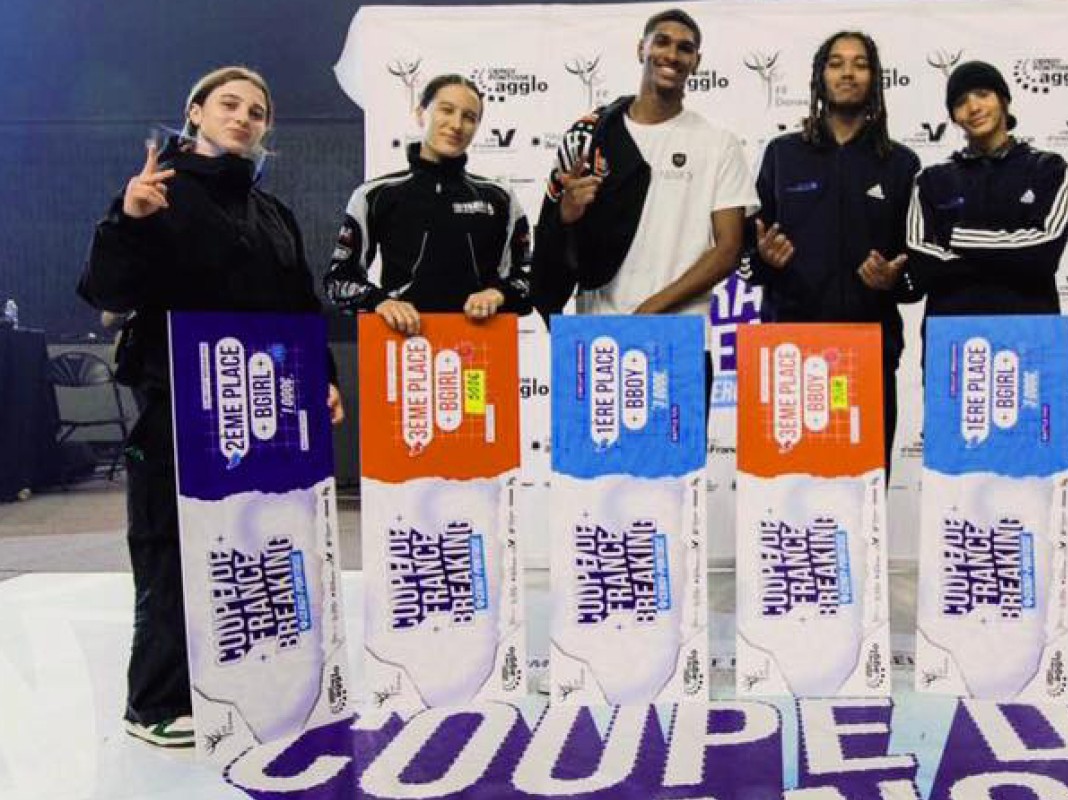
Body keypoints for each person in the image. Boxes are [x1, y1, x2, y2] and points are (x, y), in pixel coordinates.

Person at [77, 67, 344, 747]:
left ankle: (252, 678)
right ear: (195, 112)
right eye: (229, 103)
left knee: (256, 543)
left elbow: (301, 305)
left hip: (261, 407)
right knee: (169, 549)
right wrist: (127, 221)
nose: (244, 117)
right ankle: (154, 704)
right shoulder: (156, 193)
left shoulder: (273, 213)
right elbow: (104, 290)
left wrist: (322, 375)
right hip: (177, 405)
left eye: (257, 110)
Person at [904, 60, 1068, 692]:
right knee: (963, 500)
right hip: (954, 356)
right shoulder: (932, 179)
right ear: (952, 114)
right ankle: (967, 644)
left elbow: (1044, 251)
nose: (973, 107)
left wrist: (961, 244)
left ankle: (1064, 648)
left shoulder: (1048, 169)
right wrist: (1002, 247)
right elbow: (922, 261)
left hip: (1032, 355)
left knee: (1044, 501)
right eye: (961, 100)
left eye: (983, 94)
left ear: (1003, 99)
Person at [745, 30, 919, 464]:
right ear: (820, 77)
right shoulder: (782, 154)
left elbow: (916, 266)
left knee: (866, 488)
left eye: (860, 64)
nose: (848, 73)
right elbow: (748, 252)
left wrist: (894, 279)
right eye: (836, 63)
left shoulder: (901, 164)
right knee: (790, 487)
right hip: (791, 350)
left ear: (874, 79)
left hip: (870, 349)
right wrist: (763, 260)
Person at [531, 7, 757, 333]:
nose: (672, 55)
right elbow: (553, 240)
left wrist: (650, 310)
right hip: (600, 329)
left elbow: (728, 250)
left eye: (685, 48)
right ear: (641, 49)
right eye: (662, 42)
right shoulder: (591, 134)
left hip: (680, 332)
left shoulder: (719, 143)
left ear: (696, 62)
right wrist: (567, 212)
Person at [325, 74, 532, 330]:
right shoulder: (375, 195)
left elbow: (529, 281)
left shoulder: (500, 197)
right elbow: (338, 281)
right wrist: (380, 302)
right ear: (421, 114)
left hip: (482, 344)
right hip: (406, 344)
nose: (456, 124)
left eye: (469, 117)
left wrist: (498, 294)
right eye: (446, 110)